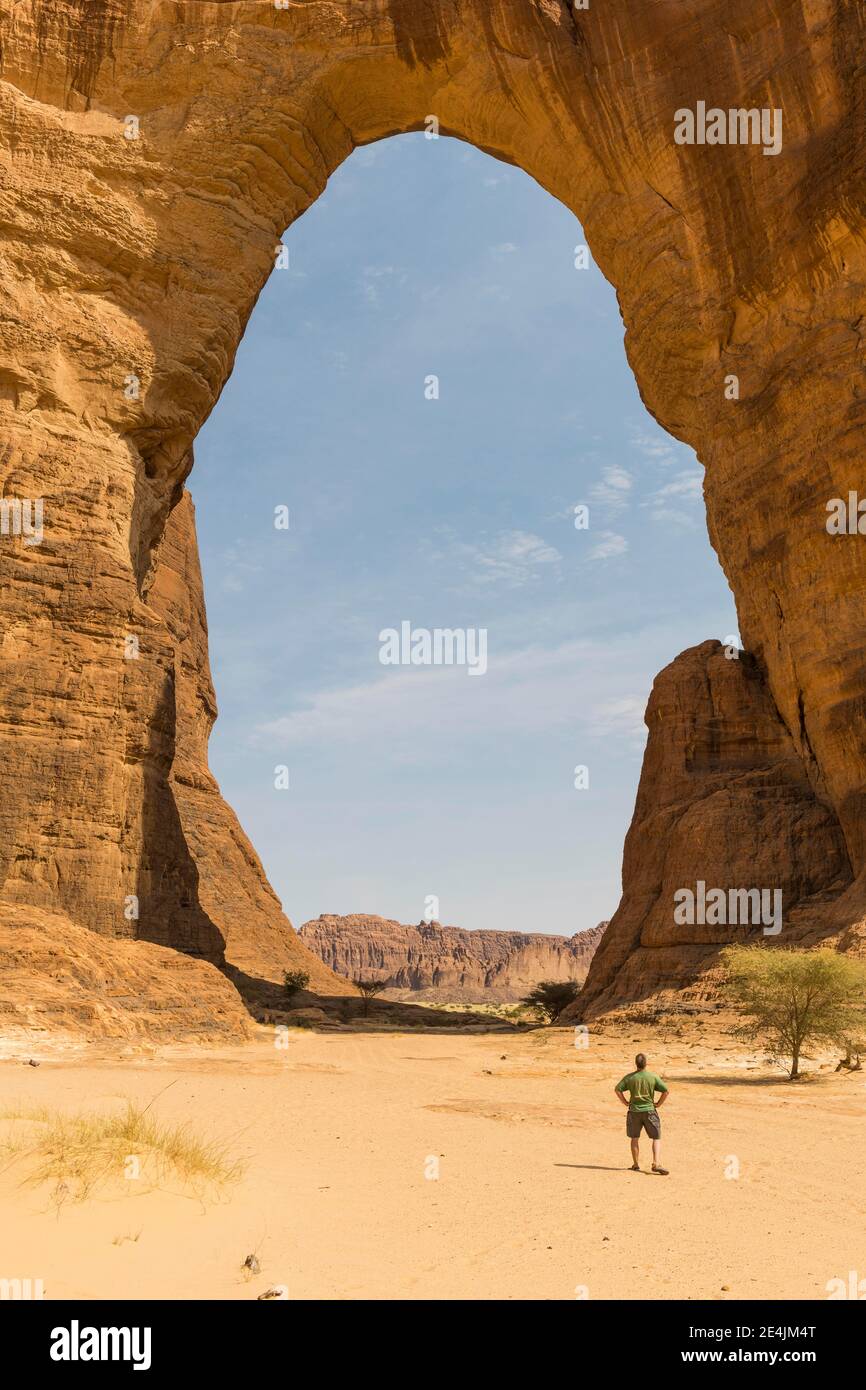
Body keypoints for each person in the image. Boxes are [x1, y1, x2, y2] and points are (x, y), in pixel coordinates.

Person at [614, 1052, 669, 1174]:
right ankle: (656, 1162)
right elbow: (665, 1091)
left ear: (636, 1064)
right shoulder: (652, 1077)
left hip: (634, 1111)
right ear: (646, 1063)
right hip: (650, 1110)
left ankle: (636, 1164)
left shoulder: (630, 1078)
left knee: (634, 1138)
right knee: (656, 1137)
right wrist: (658, 1104)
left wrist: (624, 1102)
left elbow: (617, 1089)